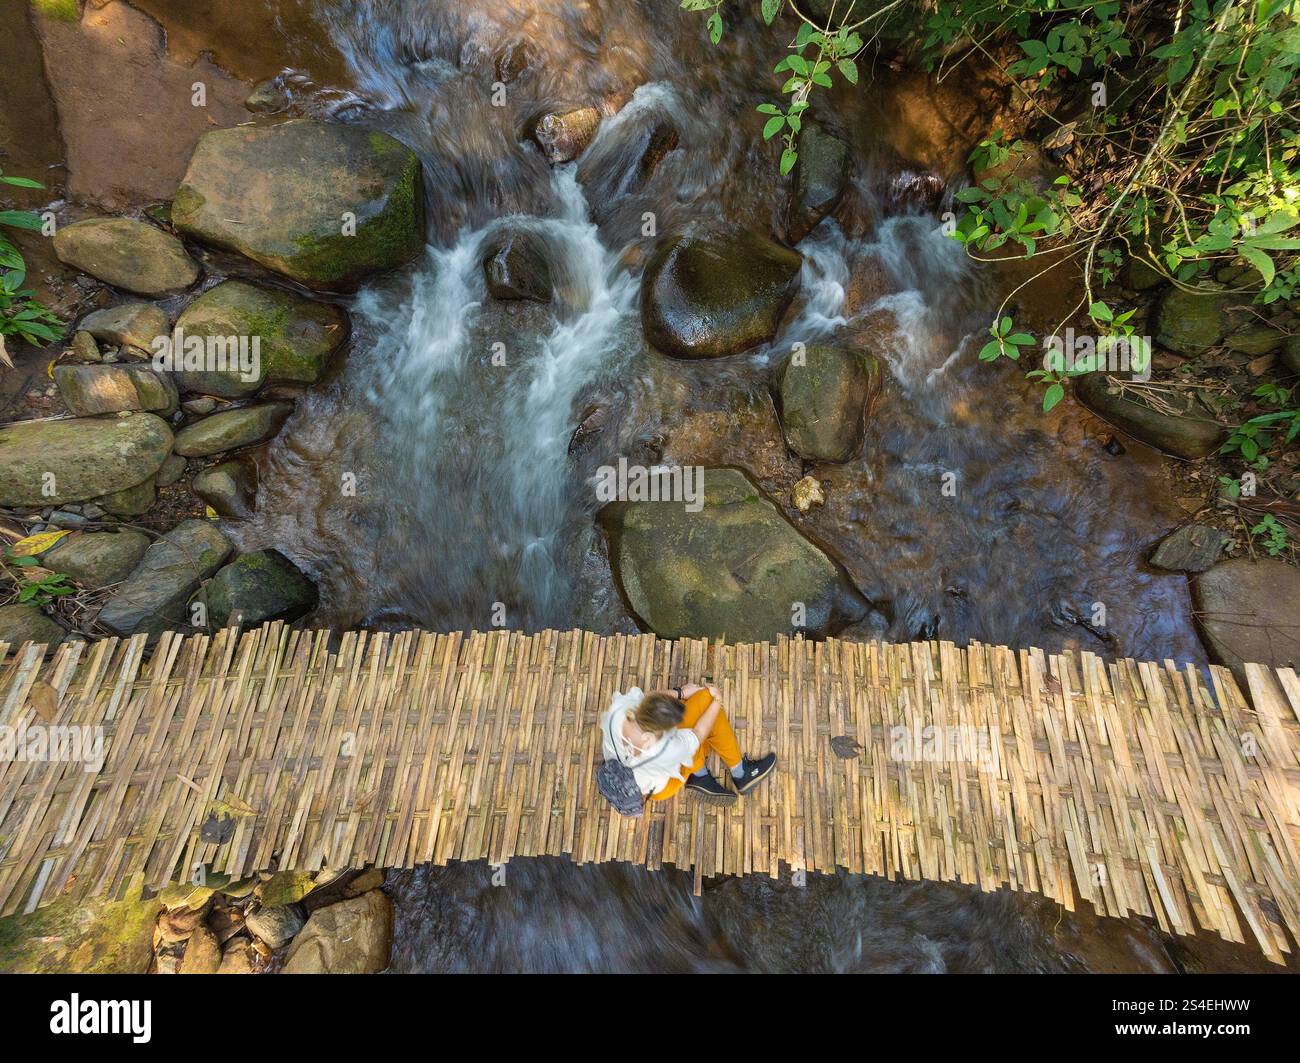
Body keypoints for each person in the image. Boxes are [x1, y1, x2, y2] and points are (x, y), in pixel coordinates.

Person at [599, 682, 776, 803]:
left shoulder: (618, 712)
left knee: (695, 717)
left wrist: (680, 692)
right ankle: (740, 773)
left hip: (642, 784)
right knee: (705, 700)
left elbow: (648, 697)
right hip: (664, 787)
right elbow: (698, 732)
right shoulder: (665, 749)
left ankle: (701, 776)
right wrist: (717, 700)